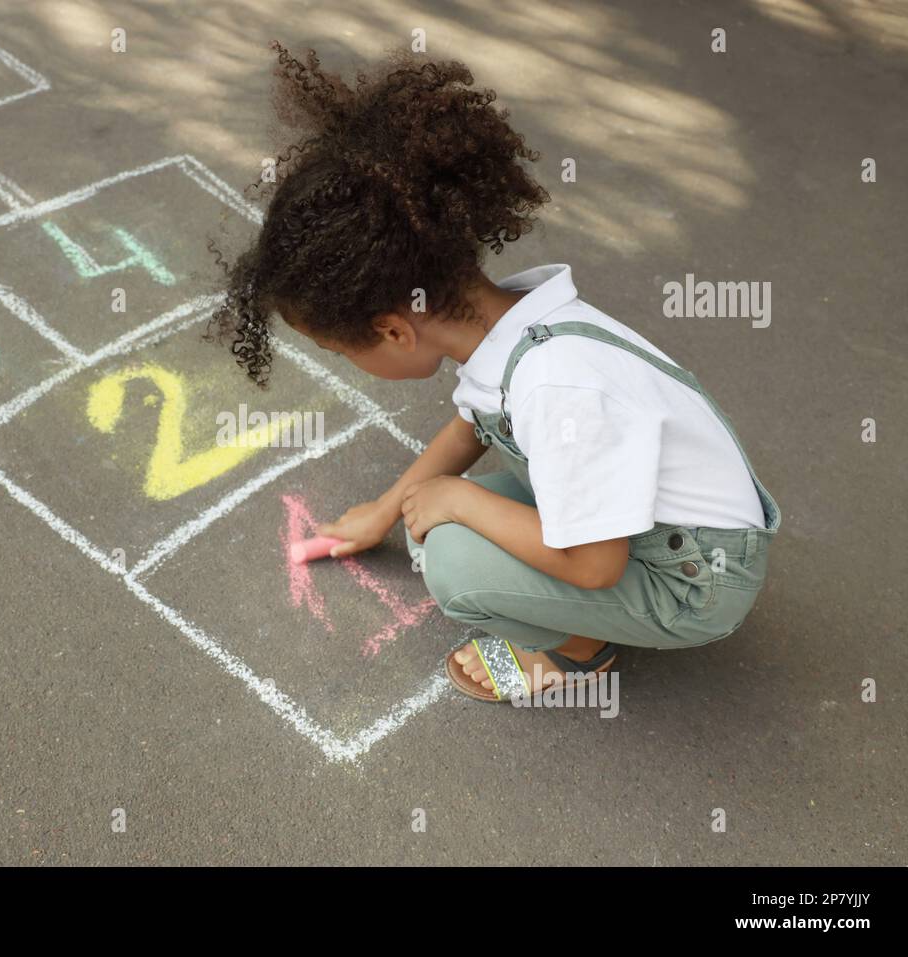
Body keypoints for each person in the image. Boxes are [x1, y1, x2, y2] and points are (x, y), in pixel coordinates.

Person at [205, 44, 780, 702]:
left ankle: (577, 653)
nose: (350, 366)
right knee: (484, 499)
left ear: (394, 329)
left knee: (452, 559)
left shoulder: (553, 385)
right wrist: (384, 511)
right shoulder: (513, 324)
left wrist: (460, 500)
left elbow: (596, 563)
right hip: (675, 523)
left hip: (695, 579)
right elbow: (472, 425)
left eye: (342, 351)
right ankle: (562, 608)